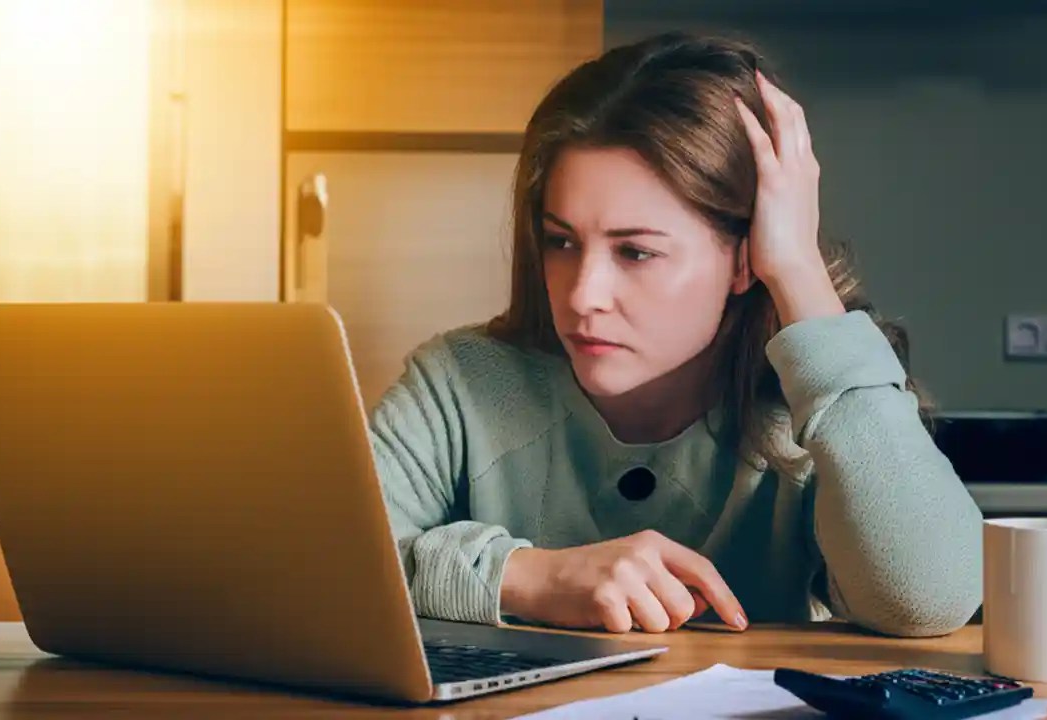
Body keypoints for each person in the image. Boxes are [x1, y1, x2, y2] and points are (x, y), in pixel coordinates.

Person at [367, 31, 983, 638]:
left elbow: (929, 597)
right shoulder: (458, 385)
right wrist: (527, 578)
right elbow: (305, 568)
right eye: (561, 242)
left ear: (745, 259)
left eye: (635, 253)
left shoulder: (810, 415)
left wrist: (796, 267)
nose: (583, 295)